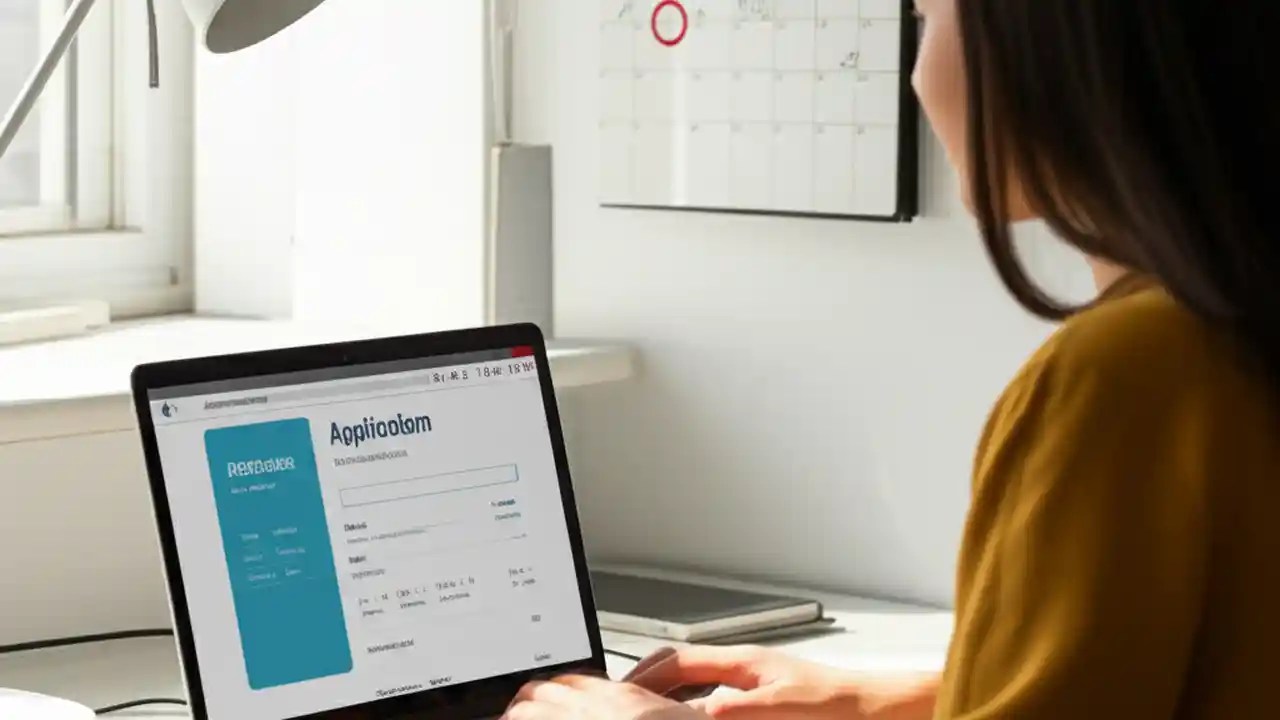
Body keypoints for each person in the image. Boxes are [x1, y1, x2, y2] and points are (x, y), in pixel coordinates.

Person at [501, 0, 1280, 717]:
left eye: (926, 19)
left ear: (1043, 46)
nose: (913, 74)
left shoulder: (1125, 377)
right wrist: (893, 699)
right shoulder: (1225, 333)